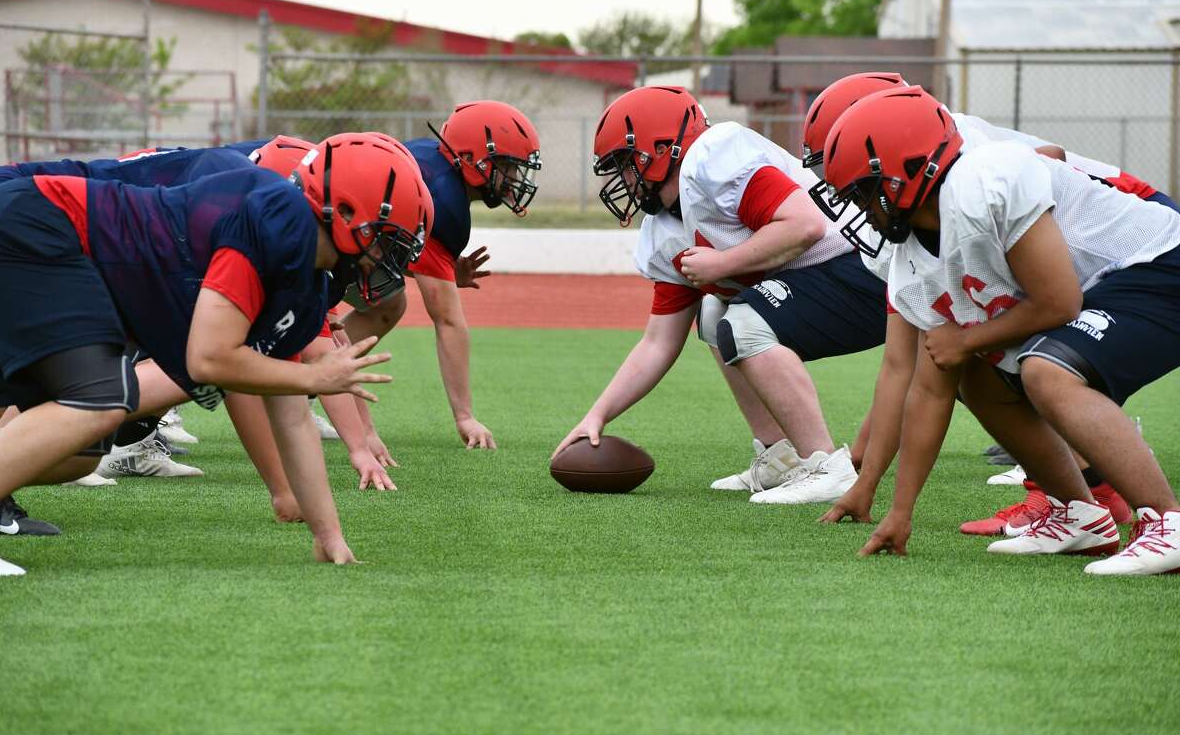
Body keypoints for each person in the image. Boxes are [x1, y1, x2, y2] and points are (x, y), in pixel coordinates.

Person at [0, 132, 431, 575]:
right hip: (42, 223)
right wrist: (313, 379)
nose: (389, 261)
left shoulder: (308, 283)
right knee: (96, 405)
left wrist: (328, 534)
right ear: (348, 212)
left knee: (78, 452)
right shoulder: (280, 218)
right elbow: (209, 359)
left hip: (52, 241)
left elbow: (291, 417)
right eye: (388, 241)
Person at [820, 85, 1180, 575]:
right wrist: (899, 512)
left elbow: (1059, 300)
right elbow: (929, 390)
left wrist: (966, 338)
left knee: (1046, 370)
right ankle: (1081, 515)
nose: (862, 209)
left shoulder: (985, 177)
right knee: (973, 376)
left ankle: (1167, 524)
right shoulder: (911, 264)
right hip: (1107, 289)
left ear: (906, 172)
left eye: (863, 191)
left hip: (1158, 261)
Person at [553, 86, 884, 507]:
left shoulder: (712, 160)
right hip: (825, 282)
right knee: (714, 312)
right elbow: (657, 342)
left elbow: (805, 226)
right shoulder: (663, 229)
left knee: (743, 319)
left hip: (863, 270)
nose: (623, 179)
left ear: (657, 149)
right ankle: (780, 457)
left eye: (624, 163)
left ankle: (826, 467)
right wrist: (596, 415)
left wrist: (723, 264)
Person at [339, 102, 542, 450]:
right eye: (506, 166)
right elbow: (448, 320)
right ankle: (298, 382)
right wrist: (464, 415)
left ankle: (306, 385)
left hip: (330, 223)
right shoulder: (442, 198)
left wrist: (442, 266)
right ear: (471, 158)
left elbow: (384, 237)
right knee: (306, 316)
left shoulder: (431, 162)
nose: (513, 179)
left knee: (386, 298)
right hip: (310, 223)